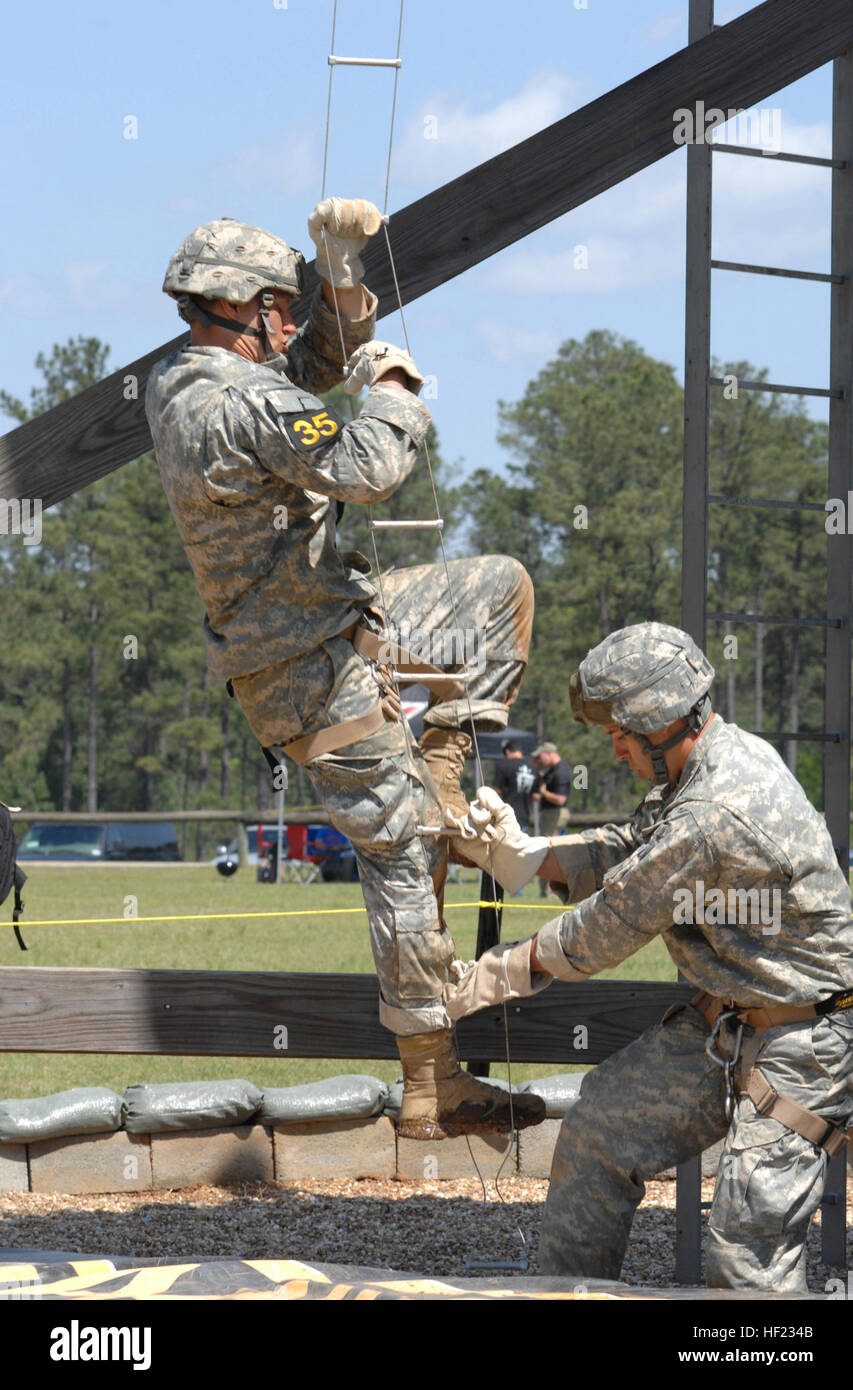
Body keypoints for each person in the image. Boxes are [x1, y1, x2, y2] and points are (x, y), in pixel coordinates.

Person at [145, 204, 544, 1143]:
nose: (289, 324)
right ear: (243, 308)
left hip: (325, 637)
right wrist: (396, 384)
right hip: (310, 671)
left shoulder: (181, 382)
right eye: (282, 307)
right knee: (400, 853)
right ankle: (429, 1085)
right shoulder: (243, 404)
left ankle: (439, 774)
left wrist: (339, 273)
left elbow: (305, 374)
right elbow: (367, 464)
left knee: (495, 592)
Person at [442, 622, 853, 1291]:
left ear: (661, 723)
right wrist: (523, 856)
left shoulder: (714, 810)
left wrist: (491, 976)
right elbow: (632, 847)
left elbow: (611, 923)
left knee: (744, 1251)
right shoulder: (696, 771)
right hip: (726, 1021)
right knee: (596, 1136)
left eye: (619, 736)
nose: (613, 752)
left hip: (803, 1044)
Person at [531, 742, 572, 896]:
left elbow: (560, 800)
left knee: (547, 852)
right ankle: (547, 890)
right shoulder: (552, 771)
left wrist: (544, 792)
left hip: (554, 813)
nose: (539, 760)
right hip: (550, 813)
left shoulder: (561, 772)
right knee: (548, 851)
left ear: (548, 753)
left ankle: (549, 891)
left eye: (540, 757)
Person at [493, 741, 536, 831]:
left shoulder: (503, 765)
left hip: (506, 817)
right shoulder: (533, 768)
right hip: (525, 817)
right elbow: (536, 796)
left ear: (507, 752)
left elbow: (496, 791)